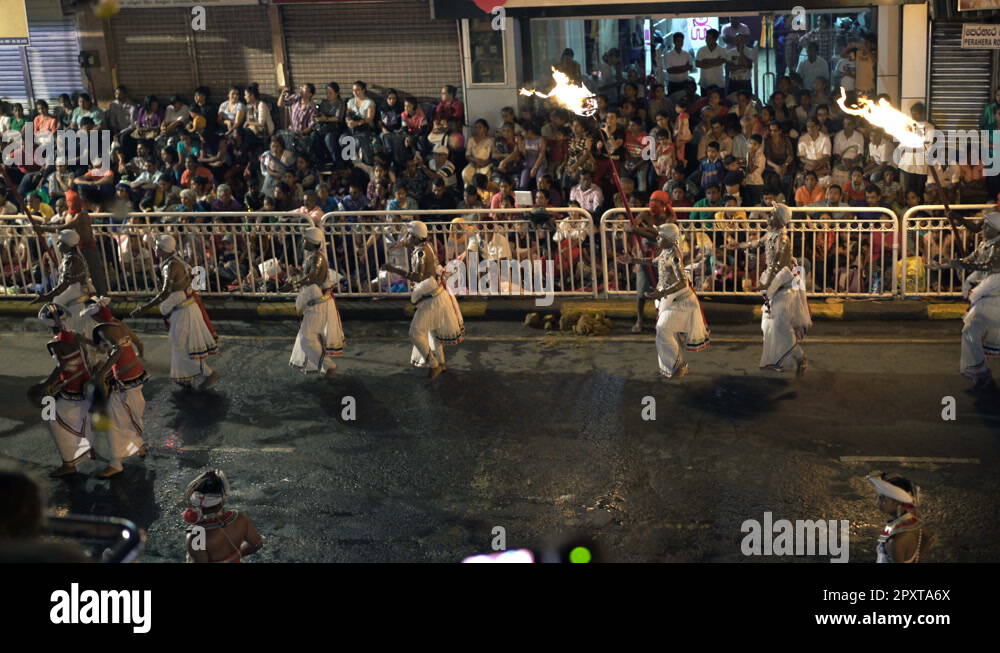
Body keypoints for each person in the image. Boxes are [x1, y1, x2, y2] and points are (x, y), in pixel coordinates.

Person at [619, 223, 709, 378]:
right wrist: (632, 260)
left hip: (680, 300)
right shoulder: (665, 251)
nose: (657, 239)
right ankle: (676, 366)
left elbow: (682, 282)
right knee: (666, 332)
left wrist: (662, 294)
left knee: (663, 329)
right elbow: (654, 262)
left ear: (669, 239)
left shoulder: (674, 256)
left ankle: (676, 366)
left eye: (661, 237)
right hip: (668, 299)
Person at [130, 234, 220, 389]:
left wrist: (143, 309)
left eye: (157, 246)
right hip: (184, 308)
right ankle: (186, 378)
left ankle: (208, 374)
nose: (155, 248)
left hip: (183, 311)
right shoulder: (176, 260)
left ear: (164, 249)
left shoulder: (170, 266)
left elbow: (165, 292)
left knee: (180, 345)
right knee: (182, 344)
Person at [380, 221, 465, 380]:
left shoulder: (421, 253)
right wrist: (399, 244)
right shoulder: (427, 245)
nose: (407, 237)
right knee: (433, 332)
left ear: (415, 236)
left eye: (409, 235)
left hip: (432, 300)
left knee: (415, 333)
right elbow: (411, 243)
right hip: (436, 295)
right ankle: (442, 362)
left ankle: (434, 365)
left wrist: (393, 269)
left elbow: (419, 276)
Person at [736, 203, 810, 374]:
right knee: (767, 326)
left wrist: (766, 283)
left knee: (779, 326)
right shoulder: (771, 234)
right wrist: (738, 246)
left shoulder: (783, 239)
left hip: (783, 287)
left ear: (780, 220)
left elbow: (777, 264)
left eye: (771, 215)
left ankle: (799, 357)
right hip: (773, 283)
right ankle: (776, 361)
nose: (768, 218)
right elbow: (757, 243)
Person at [930, 210, 1000, 388]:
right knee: (969, 331)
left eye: (987, 226)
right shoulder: (985, 244)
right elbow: (970, 259)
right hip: (986, 298)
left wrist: (957, 263)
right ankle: (978, 370)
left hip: (994, 297)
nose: (982, 227)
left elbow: (986, 265)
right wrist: (945, 264)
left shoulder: (998, 247)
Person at [30, 303, 94, 477]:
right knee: (82, 416)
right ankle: (88, 448)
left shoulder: (55, 343)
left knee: (53, 420)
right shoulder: (75, 335)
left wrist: (43, 386)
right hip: (84, 381)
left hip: (72, 388)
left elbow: (61, 366)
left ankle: (69, 463)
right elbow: (87, 354)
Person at [90, 310, 149, 478]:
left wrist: (103, 373)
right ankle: (140, 446)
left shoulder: (104, 330)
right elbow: (138, 342)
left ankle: (116, 464)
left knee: (114, 422)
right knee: (132, 416)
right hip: (136, 377)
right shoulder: (120, 325)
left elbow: (117, 351)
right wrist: (139, 357)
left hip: (125, 383)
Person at [290, 227, 344, 377]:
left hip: (319, 305)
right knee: (309, 338)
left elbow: (313, 277)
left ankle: (329, 367)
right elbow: (313, 277)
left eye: (305, 239)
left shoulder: (317, 258)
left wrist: (295, 284)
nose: (303, 242)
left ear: (311, 242)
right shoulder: (313, 256)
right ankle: (327, 367)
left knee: (307, 339)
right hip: (316, 303)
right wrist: (299, 273)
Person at [183, 470, 263, 563]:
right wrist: (232, 558)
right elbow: (257, 544)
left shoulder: (197, 535)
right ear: (223, 497)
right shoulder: (239, 518)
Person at [31, 229, 97, 337]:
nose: (57, 244)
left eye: (60, 242)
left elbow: (66, 282)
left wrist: (49, 295)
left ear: (68, 244)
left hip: (72, 295)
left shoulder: (71, 259)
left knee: (51, 315)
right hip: (76, 294)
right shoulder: (72, 256)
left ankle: (63, 338)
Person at [867, 472, 932, 563]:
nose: (878, 502)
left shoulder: (894, 542)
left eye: (883, 498)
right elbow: (929, 538)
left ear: (897, 502)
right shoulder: (912, 521)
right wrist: (916, 559)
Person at [695, 29, 727, 95]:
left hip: (719, 84)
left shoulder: (721, 50)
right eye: (706, 37)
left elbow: (722, 61)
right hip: (705, 83)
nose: (706, 39)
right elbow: (698, 64)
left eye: (709, 38)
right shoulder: (701, 50)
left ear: (715, 39)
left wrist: (706, 61)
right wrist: (716, 61)